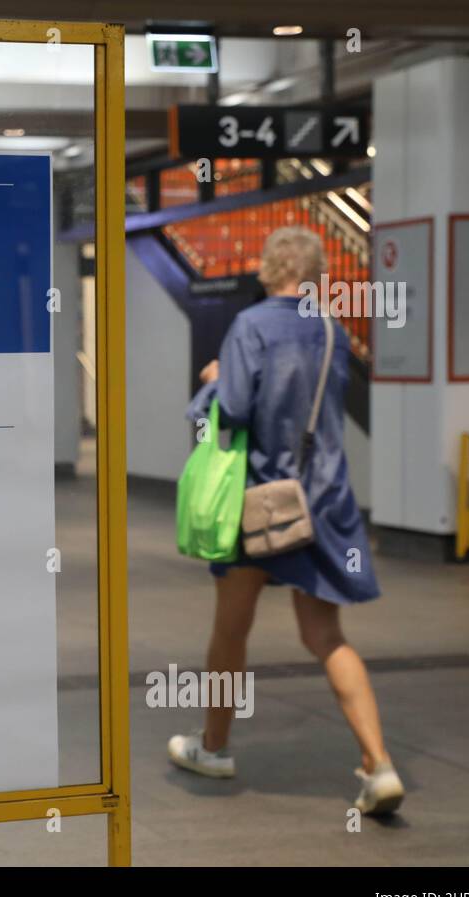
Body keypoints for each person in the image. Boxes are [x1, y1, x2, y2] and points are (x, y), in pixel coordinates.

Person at [169, 226, 405, 816]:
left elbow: (238, 410)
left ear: (267, 271)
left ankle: (216, 748)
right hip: (322, 499)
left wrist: (213, 383)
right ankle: (379, 765)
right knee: (326, 635)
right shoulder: (333, 330)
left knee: (231, 630)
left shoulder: (252, 326)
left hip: (260, 504)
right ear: (319, 275)